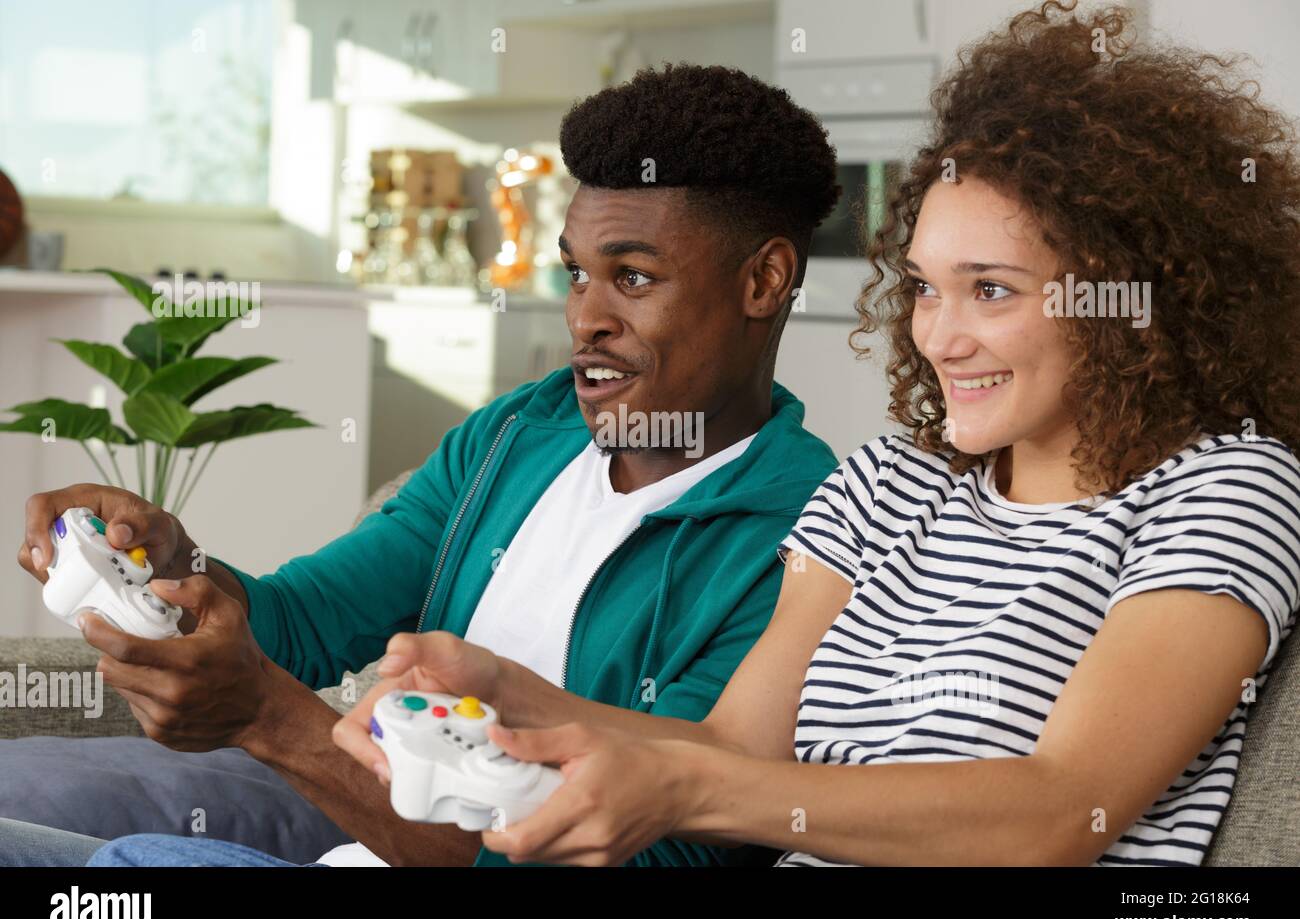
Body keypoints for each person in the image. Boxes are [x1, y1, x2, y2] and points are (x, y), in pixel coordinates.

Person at [328, 0, 1300, 867]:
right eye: (923, 286)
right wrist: (506, 689)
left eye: (990, 290)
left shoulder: (1223, 490)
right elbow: (739, 748)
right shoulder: (886, 485)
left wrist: (685, 791)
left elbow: (1056, 811)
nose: (939, 336)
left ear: (1126, 300)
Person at [4, 62, 841, 867]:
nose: (585, 317)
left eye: (632, 276)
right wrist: (168, 561)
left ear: (764, 281)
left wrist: (269, 718)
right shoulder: (521, 433)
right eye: (576, 274)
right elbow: (302, 621)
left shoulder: (810, 538)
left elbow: (653, 858)